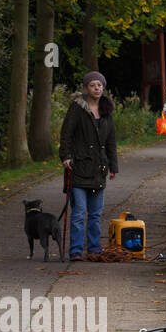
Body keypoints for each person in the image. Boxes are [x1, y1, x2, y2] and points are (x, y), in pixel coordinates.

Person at [59, 70, 118, 262]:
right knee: (78, 213)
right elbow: (66, 133)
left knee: (95, 213)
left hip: (99, 169)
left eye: (100, 85)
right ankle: (76, 251)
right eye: (93, 85)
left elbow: (111, 141)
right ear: (86, 88)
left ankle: (94, 249)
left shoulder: (107, 110)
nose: (97, 88)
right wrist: (66, 156)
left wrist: (114, 165)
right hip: (79, 167)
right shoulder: (77, 107)